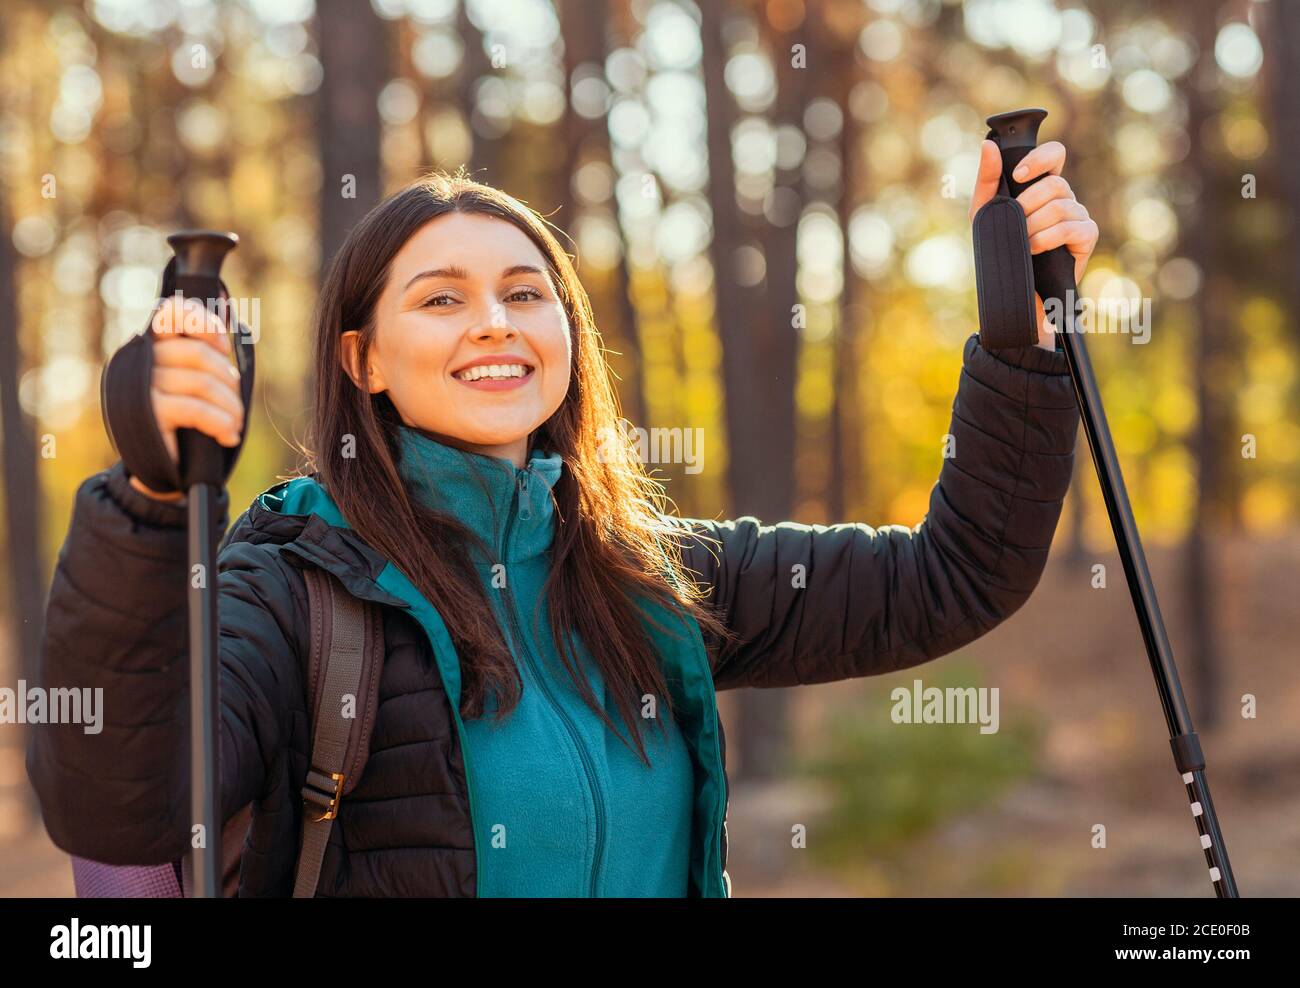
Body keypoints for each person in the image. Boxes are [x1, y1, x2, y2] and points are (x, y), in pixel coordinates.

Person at [26, 138, 1093, 897]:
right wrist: (149, 508)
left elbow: (952, 577)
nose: (495, 322)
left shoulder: (653, 575)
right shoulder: (293, 590)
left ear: (567, 329)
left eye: (526, 292)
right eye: (440, 298)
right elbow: (127, 805)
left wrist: (1022, 337)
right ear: (363, 360)